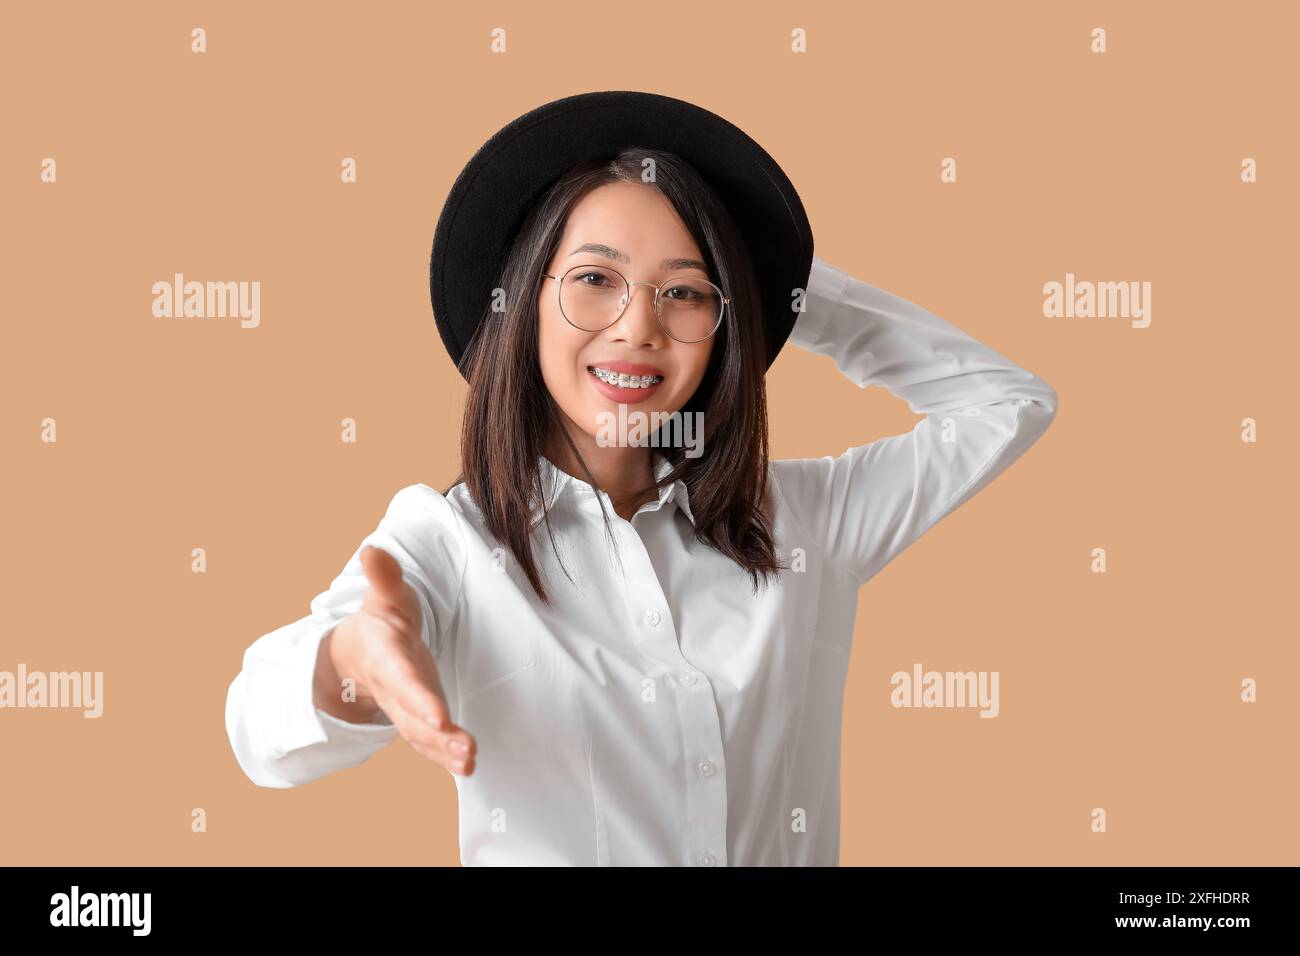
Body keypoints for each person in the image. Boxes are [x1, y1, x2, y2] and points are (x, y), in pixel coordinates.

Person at [224, 91, 1058, 866]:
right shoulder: (447, 542)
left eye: (686, 293)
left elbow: (1007, 403)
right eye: (594, 279)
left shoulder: (808, 522)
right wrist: (352, 662)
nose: (639, 328)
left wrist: (788, 287)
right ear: (522, 299)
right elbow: (259, 727)